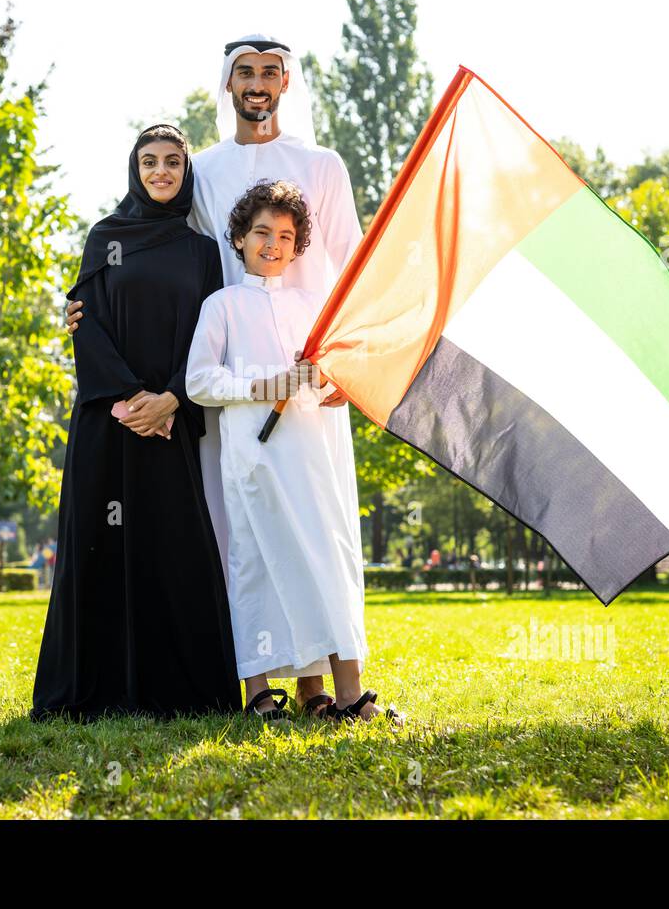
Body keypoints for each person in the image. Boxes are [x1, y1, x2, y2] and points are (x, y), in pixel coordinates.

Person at [66, 35, 374, 719]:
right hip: (219, 394)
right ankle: (254, 687)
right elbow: (167, 251)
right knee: (239, 540)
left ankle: (326, 689)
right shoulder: (201, 171)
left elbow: (354, 266)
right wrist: (93, 302)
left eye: (269, 72)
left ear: (287, 83)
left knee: (321, 536)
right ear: (227, 85)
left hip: (309, 385)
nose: (257, 84)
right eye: (245, 72)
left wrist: (353, 364)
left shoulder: (323, 165)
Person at [29, 124, 241, 721]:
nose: (161, 173)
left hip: (172, 425)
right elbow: (85, 323)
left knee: (174, 548)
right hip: (109, 424)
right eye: (149, 162)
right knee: (101, 548)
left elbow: (210, 339)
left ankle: (182, 693)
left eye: (173, 163)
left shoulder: (201, 251)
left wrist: (172, 399)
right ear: (134, 169)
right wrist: (130, 402)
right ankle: (94, 692)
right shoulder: (105, 238)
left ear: (186, 172)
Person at [186, 180, 398, 723]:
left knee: (326, 560)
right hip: (252, 460)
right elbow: (199, 382)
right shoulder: (222, 306)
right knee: (256, 562)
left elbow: (334, 374)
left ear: (298, 245)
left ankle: (348, 695)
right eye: (262, 232)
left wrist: (333, 381)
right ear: (238, 237)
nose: (273, 244)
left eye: (285, 235)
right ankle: (258, 692)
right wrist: (263, 386)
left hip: (311, 456)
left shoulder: (313, 306)